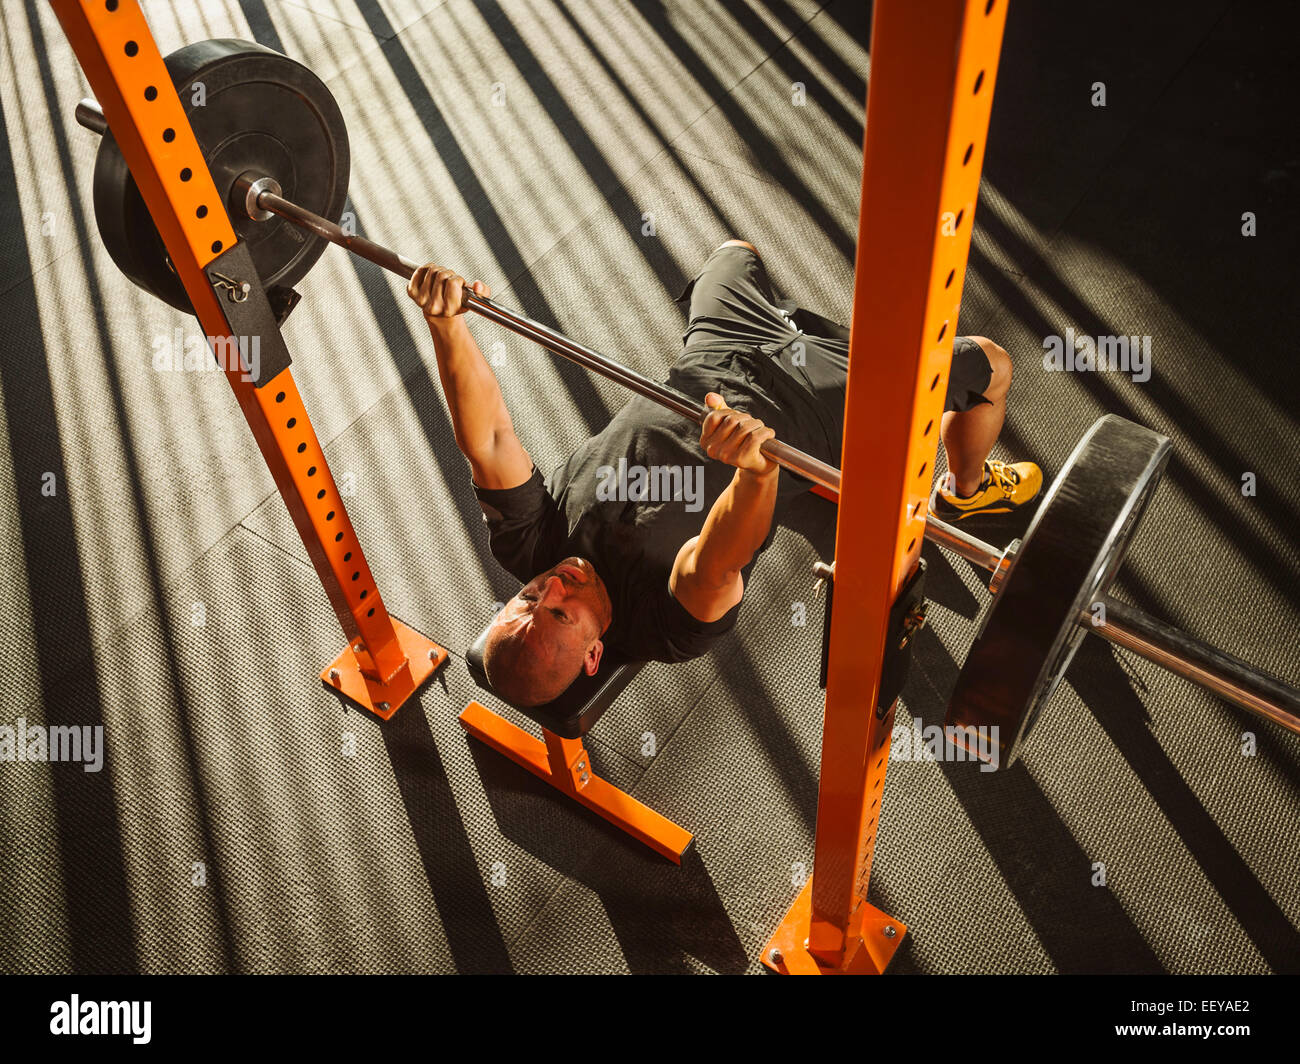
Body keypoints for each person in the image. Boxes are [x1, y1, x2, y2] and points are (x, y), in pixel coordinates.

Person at [406, 241, 1041, 707]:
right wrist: (756, 475)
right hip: (804, 410)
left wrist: (447, 325)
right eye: (562, 614)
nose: (554, 587)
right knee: (990, 364)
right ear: (596, 653)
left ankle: (811, 344)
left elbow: (488, 440)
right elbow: (716, 561)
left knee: (733, 254)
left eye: (528, 597)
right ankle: (967, 489)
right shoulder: (664, 626)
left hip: (711, 359)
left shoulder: (529, 546)